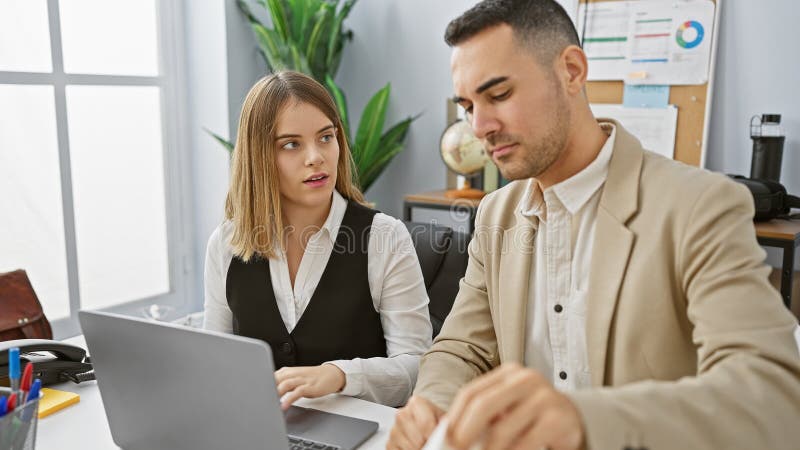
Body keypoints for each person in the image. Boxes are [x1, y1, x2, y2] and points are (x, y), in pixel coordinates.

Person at [387, 1, 800, 449]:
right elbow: (461, 349)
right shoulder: (496, 214)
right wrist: (431, 405)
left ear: (571, 70)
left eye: (499, 95)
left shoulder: (699, 206)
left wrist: (582, 420)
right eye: (467, 106)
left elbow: (772, 398)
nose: (479, 127)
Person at [203, 71, 432, 408]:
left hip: (362, 433)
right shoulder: (227, 242)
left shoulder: (385, 237)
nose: (316, 157)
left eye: (326, 137)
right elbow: (212, 360)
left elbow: (417, 368)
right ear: (258, 157)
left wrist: (340, 375)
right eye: (291, 144)